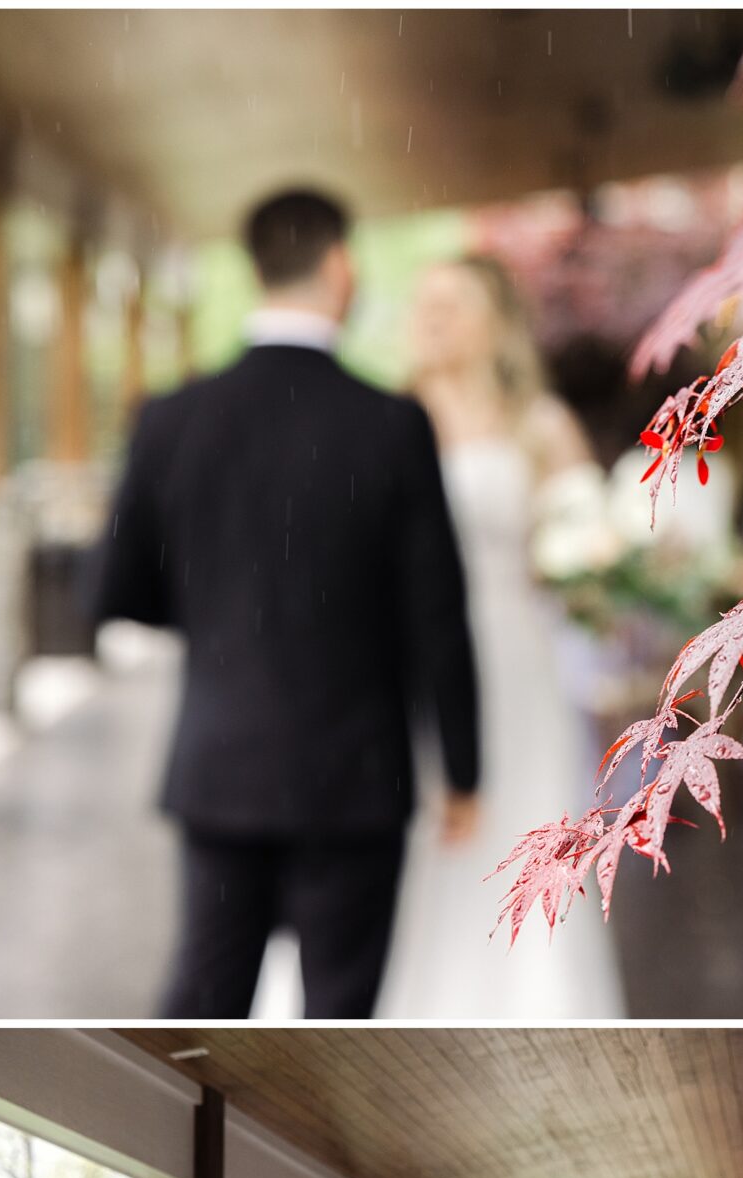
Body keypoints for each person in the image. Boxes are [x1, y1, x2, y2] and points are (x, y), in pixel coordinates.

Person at [89, 188, 479, 1019]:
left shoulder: (171, 417)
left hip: (222, 766)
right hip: (356, 775)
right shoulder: (392, 424)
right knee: (340, 1015)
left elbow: (116, 591)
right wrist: (465, 769)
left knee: (206, 999)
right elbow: (436, 616)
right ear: (340, 267)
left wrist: (224, 614)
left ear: (255, 268)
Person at [376, 255, 625, 1018]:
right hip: (407, 662)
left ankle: (524, 993)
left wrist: (588, 563)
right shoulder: (386, 418)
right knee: (418, 832)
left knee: (518, 821)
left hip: (513, 658)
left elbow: (590, 546)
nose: (433, 316)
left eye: (453, 302)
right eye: (424, 301)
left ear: (496, 322)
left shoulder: (540, 426)